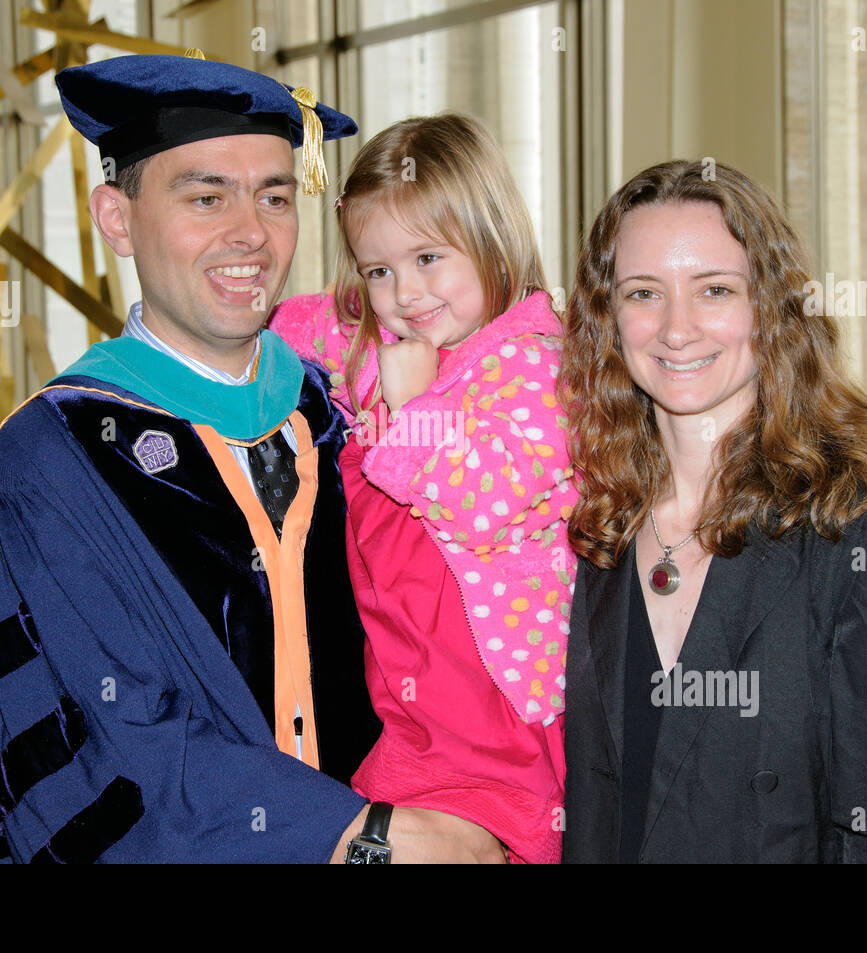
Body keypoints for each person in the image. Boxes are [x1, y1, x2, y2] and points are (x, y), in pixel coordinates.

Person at [0, 54, 503, 863]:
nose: (250, 233)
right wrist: (363, 836)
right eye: (206, 197)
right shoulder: (47, 463)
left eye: (275, 197)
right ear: (116, 217)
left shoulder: (339, 412)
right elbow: (103, 742)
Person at [559, 159, 867, 863]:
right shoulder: (594, 535)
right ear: (607, 318)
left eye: (716, 289)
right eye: (643, 293)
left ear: (775, 308)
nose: (676, 328)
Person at [270, 113, 576, 863]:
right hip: (405, 701)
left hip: (490, 712)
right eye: (378, 270)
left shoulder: (534, 362)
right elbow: (294, 323)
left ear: (491, 235)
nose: (405, 292)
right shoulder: (388, 344)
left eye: (429, 257)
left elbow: (489, 498)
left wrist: (413, 409)